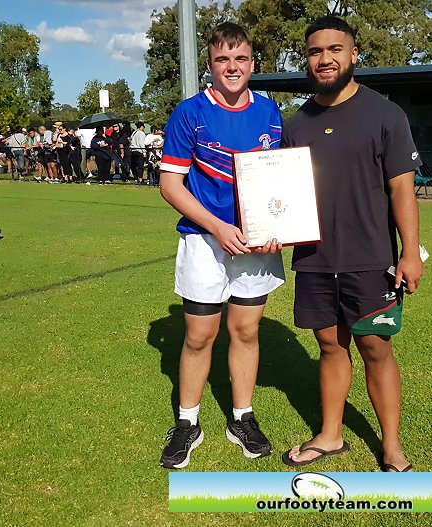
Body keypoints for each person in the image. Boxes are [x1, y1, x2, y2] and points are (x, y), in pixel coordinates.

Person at [281, 16, 423, 473]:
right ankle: (330, 435)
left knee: (376, 347)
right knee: (329, 347)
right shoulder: (297, 123)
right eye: (315, 52)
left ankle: (392, 446)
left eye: (334, 49)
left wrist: (409, 252)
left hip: (371, 259)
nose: (325, 59)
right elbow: (281, 193)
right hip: (315, 258)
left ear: (354, 54)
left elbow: (403, 188)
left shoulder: (386, 115)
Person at [158, 22, 285, 470]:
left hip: (257, 246)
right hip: (204, 242)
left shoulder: (271, 111)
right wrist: (216, 226)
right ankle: (188, 422)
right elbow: (170, 185)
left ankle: (241, 418)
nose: (232, 67)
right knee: (199, 335)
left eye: (241, 59)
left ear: (252, 63)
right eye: (222, 59)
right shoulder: (189, 112)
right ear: (210, 64)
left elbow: (278, 182)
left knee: (246, 331)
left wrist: (278, 226)